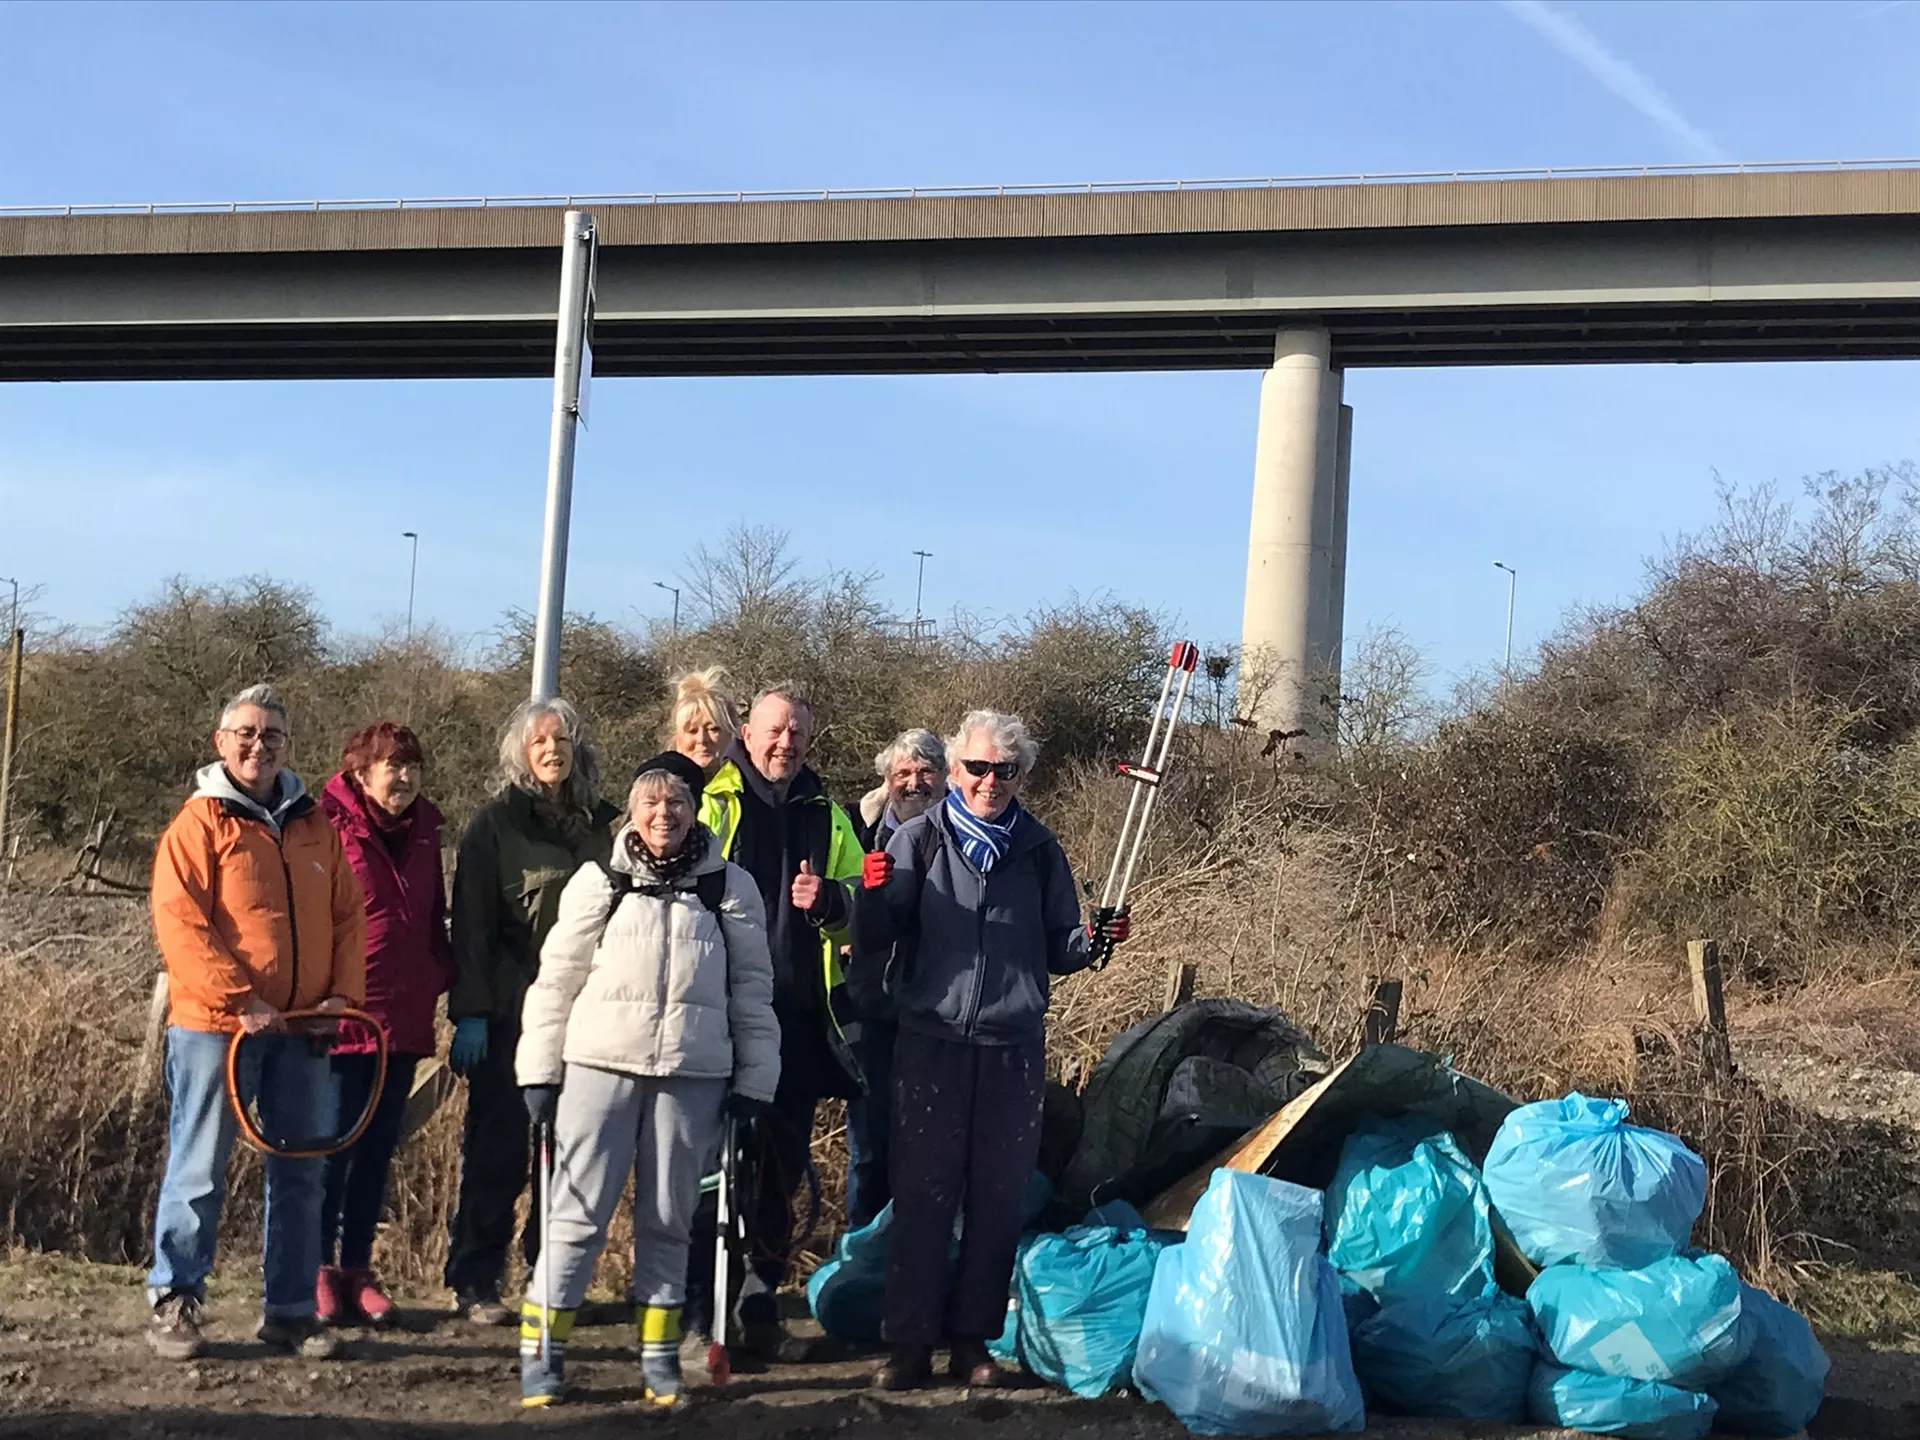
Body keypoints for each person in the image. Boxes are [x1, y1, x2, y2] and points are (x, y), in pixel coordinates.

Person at [852, 710, 1130, 1390]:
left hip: (1012, 1046)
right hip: (931, 1040)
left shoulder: (1041, 851)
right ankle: (909, 1342)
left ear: (1020, 776)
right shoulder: (919, 839)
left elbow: (1063, 946)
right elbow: (885, 928)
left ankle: (972, 1340)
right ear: (954, 772)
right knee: (922, 1193)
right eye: (976, 768)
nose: (989, 781)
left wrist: (1097, 938)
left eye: (1004, 770)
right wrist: (872, 891)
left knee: (997, 1196)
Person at [514, 753, 780, 1407]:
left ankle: (660, 1359)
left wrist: (756, 1081)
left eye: (678, 804)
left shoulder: (730, 888)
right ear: (632, 814)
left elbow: (752, 991)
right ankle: (542, 1357)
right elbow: (556, 980)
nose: (665, 814)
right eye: (651, 803)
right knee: (576, 1218)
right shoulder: (596, 880)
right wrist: (538, 1073)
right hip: (597, 1069)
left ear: (695, 814)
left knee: (668, 1223)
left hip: (693, 1075)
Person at [145, 684, 367, 1361]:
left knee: (302, 1170)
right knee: (200, 1165)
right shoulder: (199, 824)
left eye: (271, 735)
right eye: (246, 732)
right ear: (221, 742)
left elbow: (347, 916)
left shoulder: (315, 823)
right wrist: (242, 998)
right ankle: (176, 1299)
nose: (257, 745)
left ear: (286, 747)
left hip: (303, 1029)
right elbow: (182, 924)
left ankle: (292, 1311)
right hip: (217, 1027)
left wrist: (340, 997)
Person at [684, 682, 864, 1363]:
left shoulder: (829, 815)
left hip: (797, 1022)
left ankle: (759, 1299)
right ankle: (702, 1307)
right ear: (746, 735)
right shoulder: (709, 800)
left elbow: (860, 906)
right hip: (715, 1017)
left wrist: (834, 901)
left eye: (797, 735)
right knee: (709, 1170)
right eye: (774, 732)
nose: (785, 744)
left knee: (777, 1172)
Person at [444, 697, 619, 1325]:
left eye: (563, 740)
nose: (552, 750)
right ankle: (476, 1277)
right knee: (499, 1150)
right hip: (512, 1011)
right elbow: (471, 926)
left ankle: (551, 1277)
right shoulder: (493, 826)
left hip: (592, 1013)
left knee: (572, 1154)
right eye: (540, 741)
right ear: (521, 751)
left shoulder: (607, 824)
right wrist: (471, 1011)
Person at [315, 721, 456, 1327]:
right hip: (341, 1014)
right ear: (359, 773)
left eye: (412, 766)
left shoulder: (427, 831)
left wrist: (439, 976)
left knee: (377, 1150)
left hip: (403, 1015)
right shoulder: (324, 826)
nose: (403, 777)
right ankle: (316, 1270)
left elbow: (432, 918)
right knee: (330, 1151)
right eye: (391, 766)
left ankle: (357, 1270)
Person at [841, 728, 945, 1228]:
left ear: (946, 777)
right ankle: (862, 1255)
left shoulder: (962, 835)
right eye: (902, 773)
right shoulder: (858, 835)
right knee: (868, 1146)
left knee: (931, 1143)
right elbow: (833, 904)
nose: (914, 782)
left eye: (925, 771)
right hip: (872, 1010)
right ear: (886, 780)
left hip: (939, 1012)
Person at [665, 666, 739, 779]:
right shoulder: (661, 791)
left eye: (713, 729)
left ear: (730, 734)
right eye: (692, 731)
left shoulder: (751, 789)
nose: (702, 739)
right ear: (677, 741)